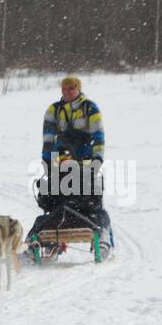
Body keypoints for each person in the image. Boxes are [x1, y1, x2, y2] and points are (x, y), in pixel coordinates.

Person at [30, 75, 112, 256]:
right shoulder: (54, 110)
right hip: (61, 160)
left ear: (78, 89)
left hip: (86, 161)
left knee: (94, 204)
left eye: (71, 88)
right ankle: (48, 243)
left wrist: (97, 159)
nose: (67, 92)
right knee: (55, 201)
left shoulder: (90, 108)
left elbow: (98, 136)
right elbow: (48, 139)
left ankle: (105, 241)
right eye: (64, 89)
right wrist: (47, 161)